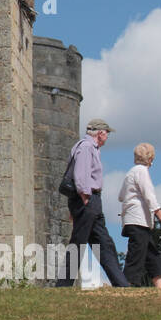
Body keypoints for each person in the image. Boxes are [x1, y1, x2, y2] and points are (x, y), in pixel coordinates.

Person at [54, 118, 131, 288]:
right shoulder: (87, 147)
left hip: (90, 200)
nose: (108, 137)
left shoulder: (89, 148)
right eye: (107, 133)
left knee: (104, 243)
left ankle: (121, 283)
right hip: (87, 199)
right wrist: (85, 199)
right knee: (79, 243)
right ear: (101, 133)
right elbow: (81, 175)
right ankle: (63, 285)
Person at [119, 143, 161, 288]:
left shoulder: (130, 172)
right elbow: (150, 197)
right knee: (135, 257)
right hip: (139, 221)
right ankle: (126, 287)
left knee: (153, 257)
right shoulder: (142, 172)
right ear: (150, 158)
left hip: (133, 220)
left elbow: (121, 196)